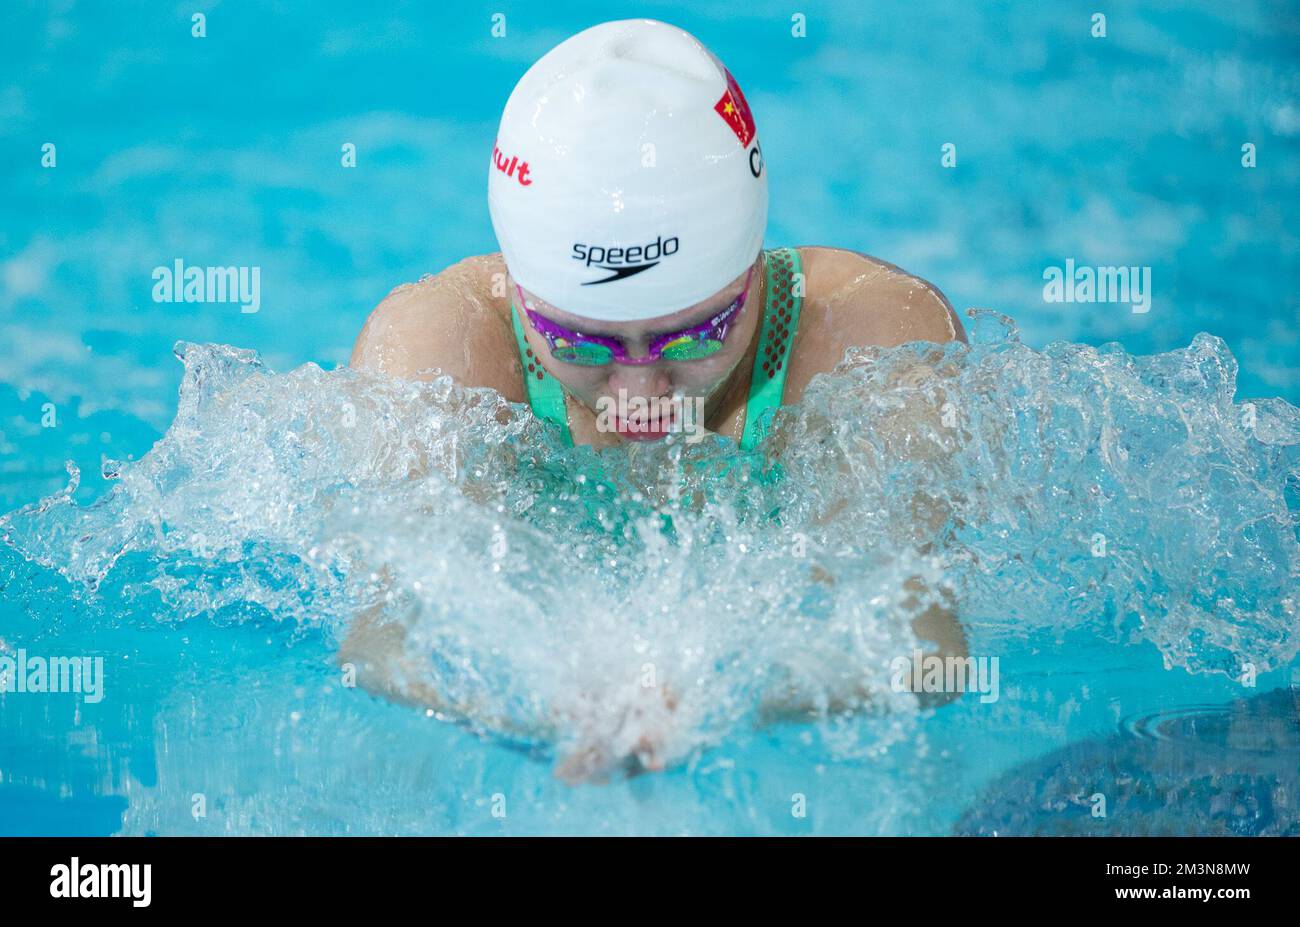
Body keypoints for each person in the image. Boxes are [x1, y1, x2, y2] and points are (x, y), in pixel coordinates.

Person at [343, 19, 968, 779]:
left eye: (692, 335)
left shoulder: (870, 336)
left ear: (752, 275)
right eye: (580, 344)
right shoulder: (439, 348)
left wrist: (726, 692)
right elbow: (384, 640)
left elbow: (923, 648)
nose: (640, 393)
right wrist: (543, 703)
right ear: (521, 293)